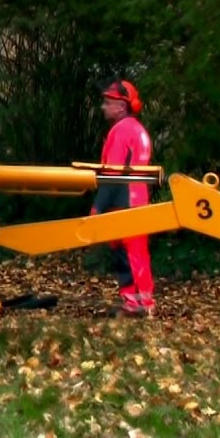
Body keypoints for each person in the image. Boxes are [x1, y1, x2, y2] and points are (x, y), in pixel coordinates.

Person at [91, 78, 155, 318]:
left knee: (125, 254)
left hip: (122, 201)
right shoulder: (138, 130)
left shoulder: (121, 131)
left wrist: (98, 206)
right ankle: (142, 302)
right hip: (137, 198)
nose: (103, 107)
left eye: (108, 103)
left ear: (121, 106)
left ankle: (134, 305)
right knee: (137, 253)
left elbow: (112, 172)